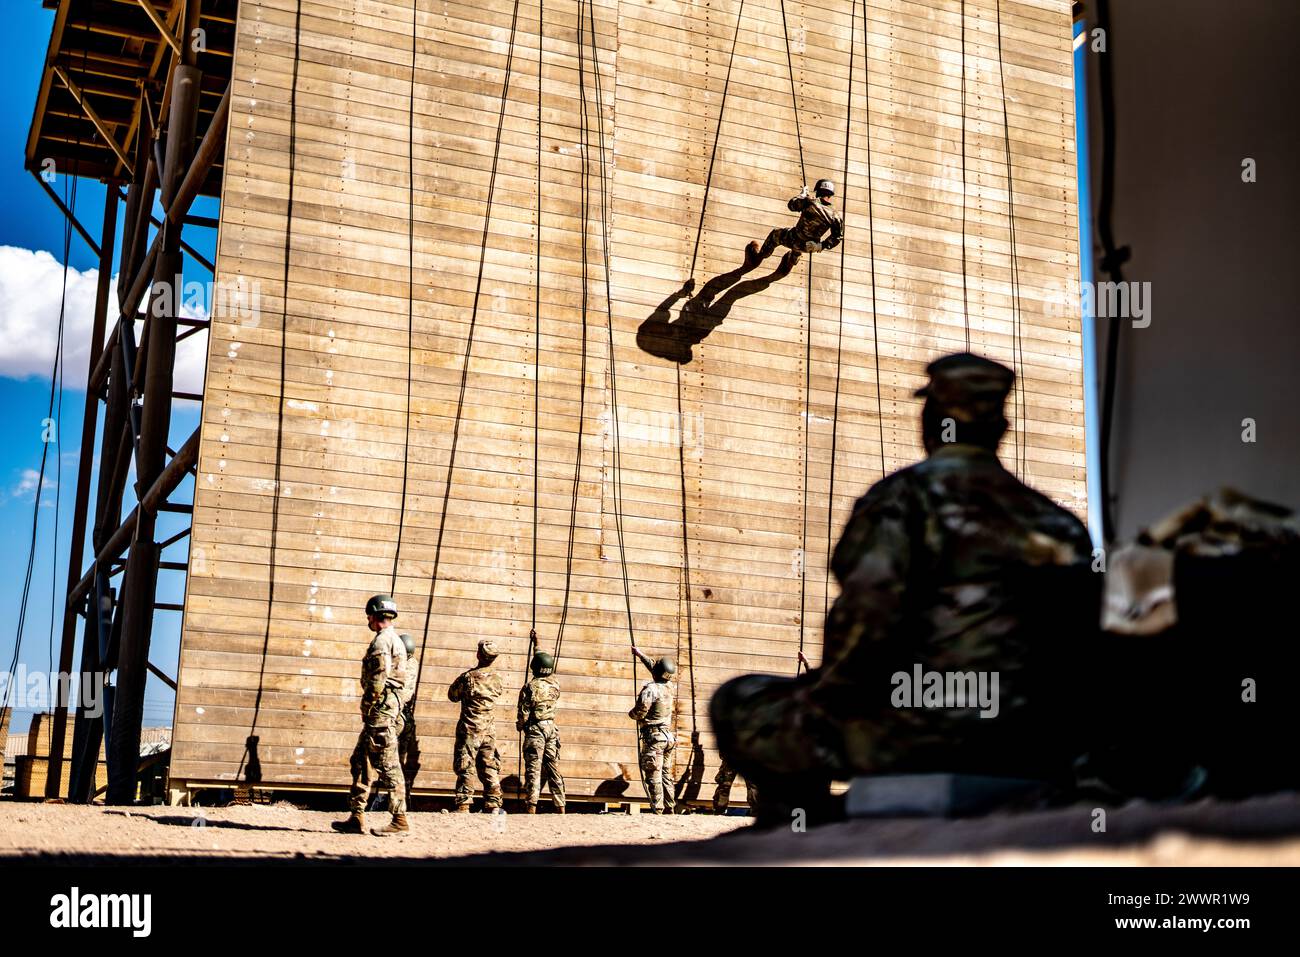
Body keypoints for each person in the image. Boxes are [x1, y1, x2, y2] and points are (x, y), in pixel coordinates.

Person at [710, 352, 1096, 826]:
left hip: (925, 728)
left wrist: (832, 694)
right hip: (1032, 737)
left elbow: (869, 611)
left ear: (932, 421)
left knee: (741, 701)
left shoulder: (903, 499)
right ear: (1000, 427)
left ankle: (802, 828)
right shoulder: (1058, 523)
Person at [336, 594, 409, 835]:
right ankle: (356, 816)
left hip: (381, 708)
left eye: (368, 615)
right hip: (385, 707)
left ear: (374, 616)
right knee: (361, 760)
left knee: (387, 763)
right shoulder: (395, 639)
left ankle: (399, 820)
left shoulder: (382, 642)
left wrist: (366, 706)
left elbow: (378, 679)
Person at [743, 178, 843, 278]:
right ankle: (791, 261)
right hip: (809, 247)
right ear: (830, 195)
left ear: (817, 191)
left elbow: (792, 205)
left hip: (793, 238)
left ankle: (758, 257)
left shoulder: (810, 201)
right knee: (801, 245)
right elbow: (838, 236)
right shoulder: (836, 215)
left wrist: (802, 195)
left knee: (775, 235)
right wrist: (821, 246)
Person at [448, 639, 505, 812]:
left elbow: (452, 695)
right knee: (488, 763)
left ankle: (464, 803)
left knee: (465, 763)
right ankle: (494, 803)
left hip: (470, 727)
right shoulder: (497, 678)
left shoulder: (468, 677)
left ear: (479, 655)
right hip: (489, 729)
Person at [628, 647, 677, 814]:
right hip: (668, 737)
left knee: (653, 774)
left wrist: (632, 715)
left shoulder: (651, 689)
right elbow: (655, 668)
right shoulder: (670, 686)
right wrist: (640, 654)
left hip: (654, 737)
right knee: (666, 774)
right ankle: (670, 806)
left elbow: (641, 710)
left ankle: (658, 809)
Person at [516, 651, 566, 814]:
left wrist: (520, 725)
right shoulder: (555, 684)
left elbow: (524, 712)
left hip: (536, 729)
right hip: (551, 728)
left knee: (533, 768)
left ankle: (531, 806)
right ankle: (561, 806)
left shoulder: (530, 687)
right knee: (553, 767)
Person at [397, 633, 420, 801]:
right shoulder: (413, 663)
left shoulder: (402, 665)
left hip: (398, 715)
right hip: (407, 717)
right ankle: (402, 796)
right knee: (400, 756)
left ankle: (395, 797)